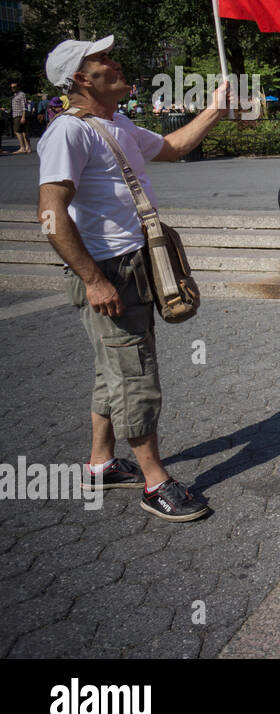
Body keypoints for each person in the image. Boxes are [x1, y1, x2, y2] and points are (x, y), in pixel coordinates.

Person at [38, 36, 233, 521]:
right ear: (82, 79)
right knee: (136, 376)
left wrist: (214, 110)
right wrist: (93, 280)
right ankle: (155, 482)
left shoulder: (116, 122)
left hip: (134, 262)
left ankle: (102, 465)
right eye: (103, 59)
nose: (115, 61)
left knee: (115, 369)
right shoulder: (68, 132)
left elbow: (171, 147)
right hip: (106, 270)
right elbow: (49, 214)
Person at [10, 81, 32, 154]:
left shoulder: (21, 94)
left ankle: (22, 147)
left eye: (14, 87)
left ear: (18, 87)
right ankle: (27, 147)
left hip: (19, 115)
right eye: (12, 87)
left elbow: (24, 106)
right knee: (23, 132)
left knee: (17, 131)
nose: (13, 88)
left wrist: (23, 117)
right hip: (16, 115)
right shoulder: (15, 95)